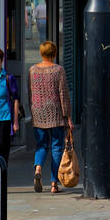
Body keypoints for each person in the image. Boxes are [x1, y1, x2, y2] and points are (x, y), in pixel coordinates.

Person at [28, 40, 72, 193]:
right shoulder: (58, 70)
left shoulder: (32, 70)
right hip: (55, 113)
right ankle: (54, 183)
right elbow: (63, 94)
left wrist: (33, 112)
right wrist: (68, 117)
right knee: (56, 147)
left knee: (41, 145)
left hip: (38, 112)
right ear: (54, 54)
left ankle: (38, 167)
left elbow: (30, 94)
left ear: (41, 53)